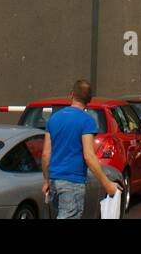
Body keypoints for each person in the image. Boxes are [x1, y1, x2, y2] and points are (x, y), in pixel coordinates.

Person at [42, 79, 119, 218]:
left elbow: (46, 154)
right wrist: (106, 183)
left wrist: (46, 181)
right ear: (89, 99)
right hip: (72, 182)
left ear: (71, 94)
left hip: (54, 181)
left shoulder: (54, 118)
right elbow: (89, 155)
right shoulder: (87, 121)